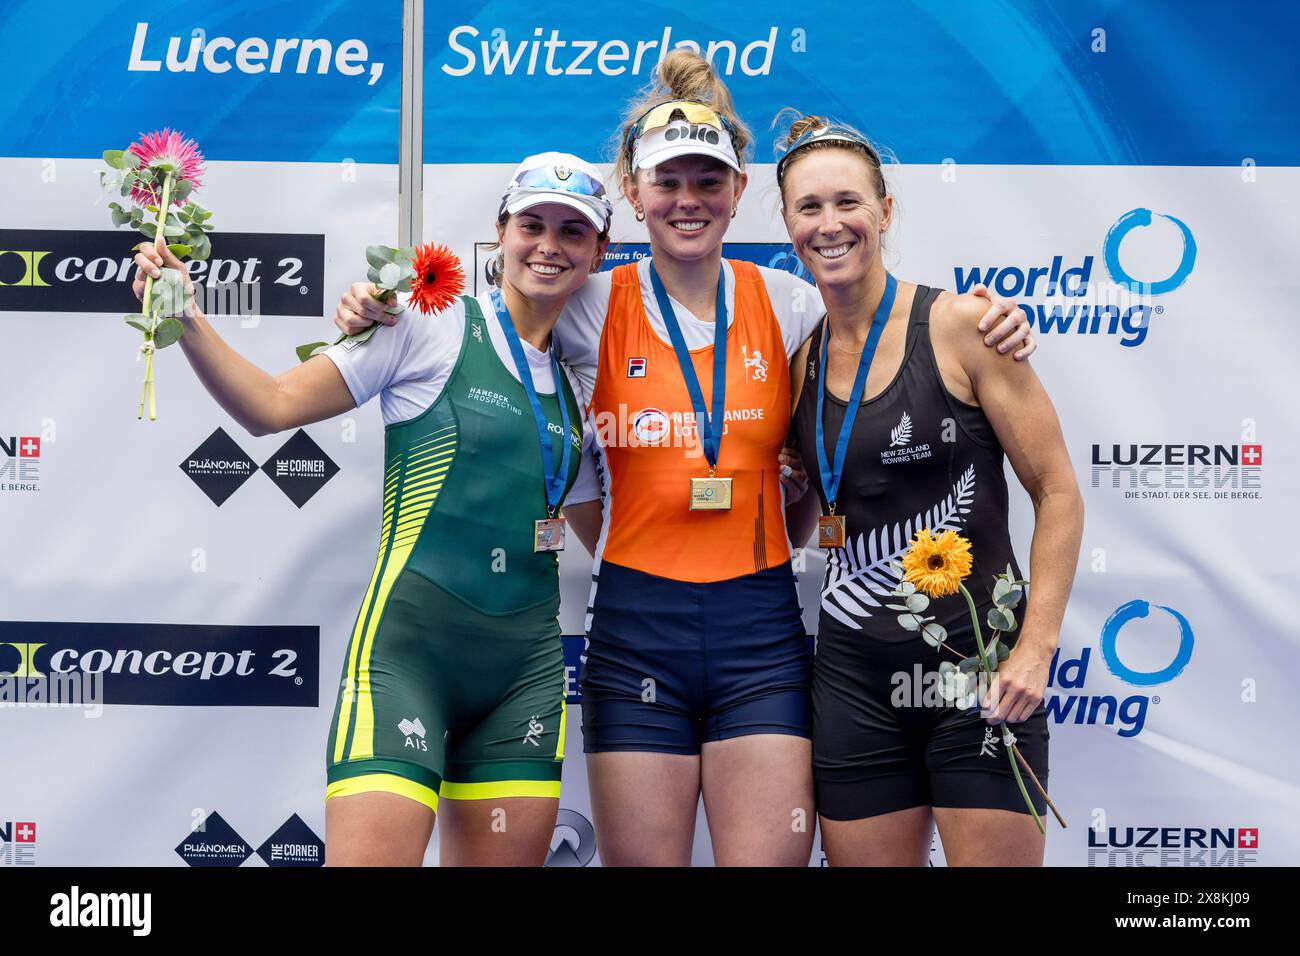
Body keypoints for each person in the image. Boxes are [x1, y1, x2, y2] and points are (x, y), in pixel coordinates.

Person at [333, 51, 1035, 866]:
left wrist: (989, 315)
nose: (687, 200)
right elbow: (490, 320)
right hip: (634, 628)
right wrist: (374, 306)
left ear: (739, 191)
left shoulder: (792, 303)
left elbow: (879, 324)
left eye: (708, 181)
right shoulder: (587, 301)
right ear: (633, 194)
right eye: (667, 182)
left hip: (760, 632)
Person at [132, 152, 613, 866]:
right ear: (501, 232)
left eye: (573, 231)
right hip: (406, 661)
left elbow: (613, 541)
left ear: (599, 252)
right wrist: (185, 315)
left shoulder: (581, 385)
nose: (549, 245)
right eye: (532, 224)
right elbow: (272, 406)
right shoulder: (427, 321)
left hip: (526, 677)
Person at [779, 114, 1084, 866]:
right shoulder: (800, 363)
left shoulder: (965, 326)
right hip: (853, 686)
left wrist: (1036, 648)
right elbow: (805, 522)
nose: (830, 224)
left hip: (981, 678)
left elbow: (1057, 491)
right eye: (809, 207)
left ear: (885, 212)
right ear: (788, 225)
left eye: (848, 202)